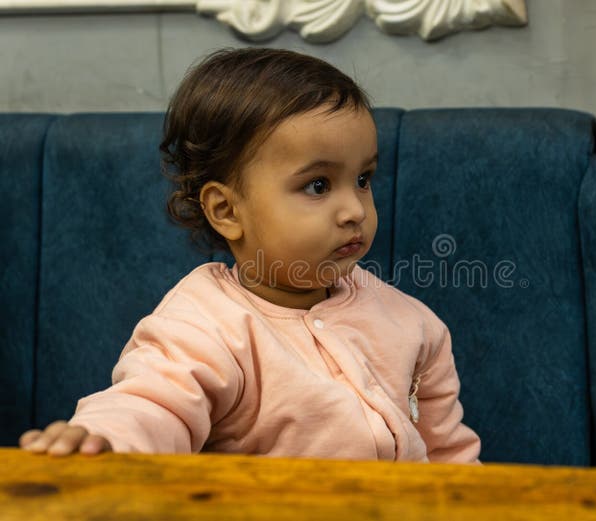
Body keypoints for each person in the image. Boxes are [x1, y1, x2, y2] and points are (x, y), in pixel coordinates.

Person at [18, 47, 481, 463]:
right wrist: (103, 441)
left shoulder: (414, 326)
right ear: (227, 211)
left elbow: (450, 457)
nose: (354, 210)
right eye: (318, 185)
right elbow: (152, 403)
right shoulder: (204, 324)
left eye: (363, 179)